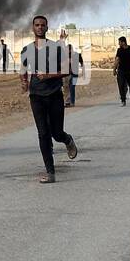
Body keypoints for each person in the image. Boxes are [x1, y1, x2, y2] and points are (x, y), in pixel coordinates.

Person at [21, 14, 78, 183]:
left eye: (42, 25)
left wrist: (47, 76)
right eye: (37, 25)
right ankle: (50, 172)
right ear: (33, 28)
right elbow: (23, 70)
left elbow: (67, 70)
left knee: (56, 133)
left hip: (54, 94)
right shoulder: (26, 50)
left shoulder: (56, 48)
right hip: (36, 96)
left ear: (47, 28)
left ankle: (67, 140)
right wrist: (23, 82)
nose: (39, 27)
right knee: (42, 133)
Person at [113, 35, 130, 106]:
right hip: (121, 71)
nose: (119, 44)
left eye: (119, 42)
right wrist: (114, 69)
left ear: (123, 42)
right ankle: (123, 100)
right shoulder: (119, 50)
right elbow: (117, 59)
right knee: (121, 85)